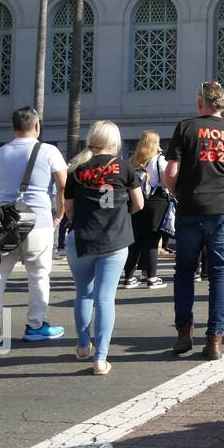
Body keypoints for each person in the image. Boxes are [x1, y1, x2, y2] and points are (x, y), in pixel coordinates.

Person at [163, 81, 224, 361]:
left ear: (201, 102)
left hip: (191, 207)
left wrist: (177, 191)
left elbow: (171, 171)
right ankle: (214, 339)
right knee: (219, 273)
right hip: (223, 209)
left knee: (185, 272)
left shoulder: (186, 127)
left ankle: (183, 333)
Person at [0, 107, 69, 345]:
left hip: (5, 224)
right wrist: (58, 215)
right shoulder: (49, 151)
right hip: (38, 222)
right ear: (37, 126)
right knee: (39, 276)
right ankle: (35, 325)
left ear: (13, 127)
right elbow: (63, 185)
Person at [64, 120, 145, 375]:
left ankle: (81, 344)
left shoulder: (76, 169)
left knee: (83, 293)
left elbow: (68, 209)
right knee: (105, 297)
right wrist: (119, 215)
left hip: (81, 239)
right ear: (115, 141)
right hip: (114, 239)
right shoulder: (125, 167)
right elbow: (139, 204)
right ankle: (100, 358)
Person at [122, 131, 170, 289]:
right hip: (155, 203)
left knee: (134, 241)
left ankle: (129, 277)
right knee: (152, 241)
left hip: (136, 202)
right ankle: (152, 277)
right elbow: (166, 183)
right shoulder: (159, 161)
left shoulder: (133, 160)